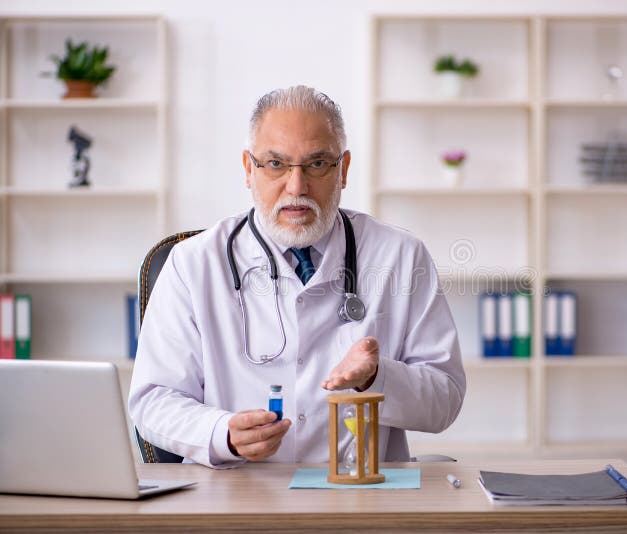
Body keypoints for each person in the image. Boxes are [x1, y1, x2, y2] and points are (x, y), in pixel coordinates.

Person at [129, 85, 466, 468]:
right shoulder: (192, 263)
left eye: (317, 164)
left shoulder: (401, 257)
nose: (296, 186)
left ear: (343, 170)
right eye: (275, 164)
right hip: (235, 499)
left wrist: (377, 379)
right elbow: (153, 400)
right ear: (247, 169)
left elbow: (445, 398)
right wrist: (222, 433)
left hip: (359, 500)